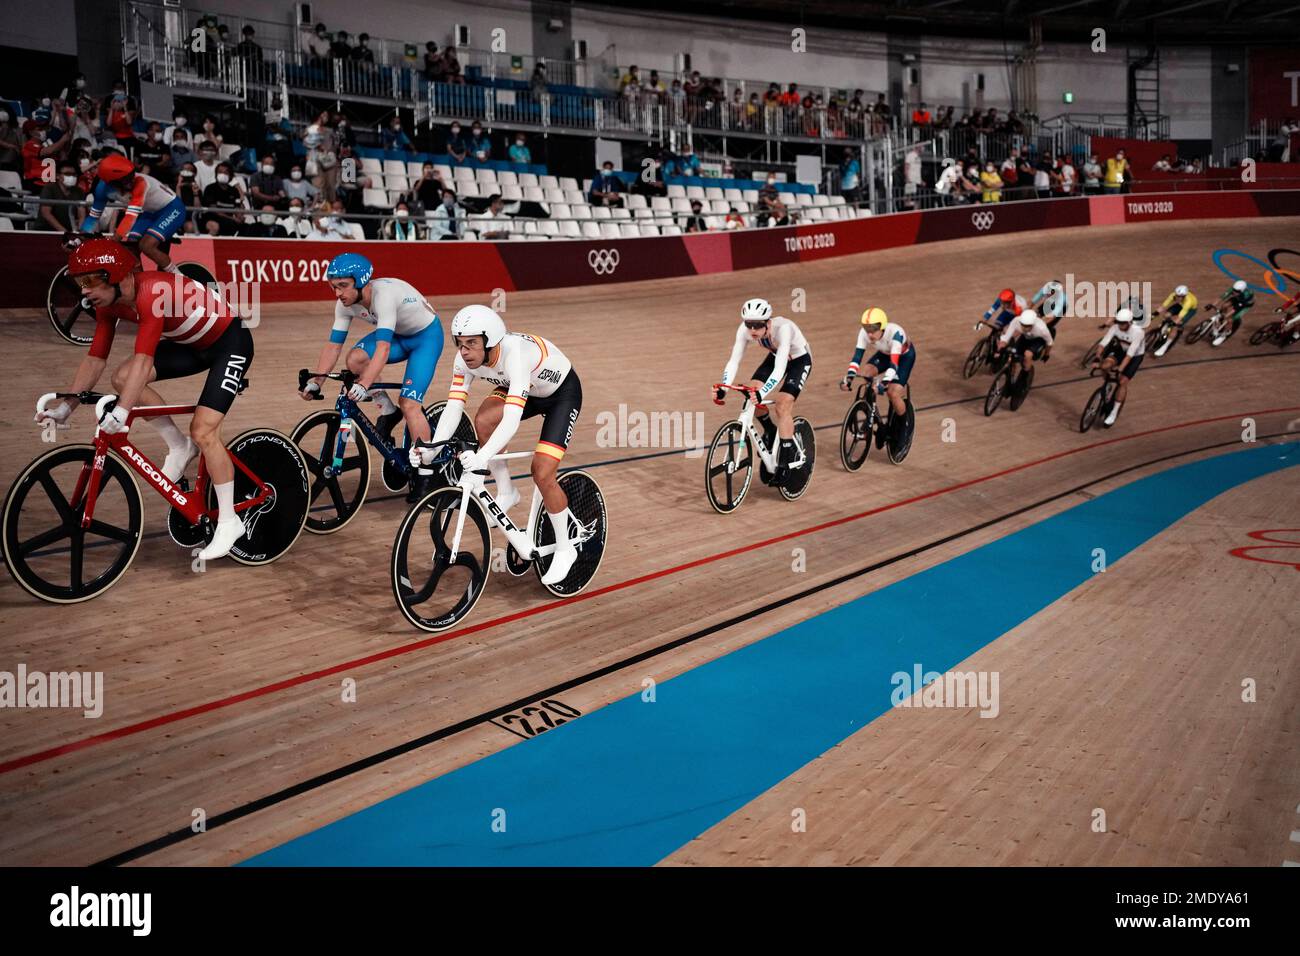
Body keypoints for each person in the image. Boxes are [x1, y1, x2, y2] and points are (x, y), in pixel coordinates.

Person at [38, 238, 253, 559]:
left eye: (90, 280)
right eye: (78, 282)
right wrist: (65, 407)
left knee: (204, 431)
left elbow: (144, 358)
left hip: (229, 343)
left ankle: (229, 521)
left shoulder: (152, 292)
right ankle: (179, 447)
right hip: (191, 345)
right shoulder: (107, 304)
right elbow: (96, 358)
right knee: (122, 378)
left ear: (116, 275)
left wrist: (123, 410)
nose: (83, 290)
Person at [417, 305, 584, 585]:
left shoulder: (515, 355)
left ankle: (566, 547)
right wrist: (431, 448)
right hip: (524, 387)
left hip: (560, 394)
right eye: (460, 343)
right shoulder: (462, 361)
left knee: (542, 472)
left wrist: (482, 457)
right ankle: (507, 491)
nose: (464, 351)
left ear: (490, 341)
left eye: (471, 343)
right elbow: (453, 408)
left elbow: (511, 420)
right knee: (483, 420)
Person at [301, 254, 445, 503]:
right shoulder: (345, 304)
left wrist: (363, 384)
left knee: (410, 404)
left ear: (361, 281)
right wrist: (318, 380)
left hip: (425, 338)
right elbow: (334, 346)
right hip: (400, 334)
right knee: (355, 360)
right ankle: (387, 411)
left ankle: (427, 475)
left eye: (343, 286)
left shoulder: (384, 297)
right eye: (333, 287)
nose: (337, 293)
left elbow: (383, 350)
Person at [716, 298, 813, 485]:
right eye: (749, 325)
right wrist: (724, 388)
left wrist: (763, 393)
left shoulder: (784, 329)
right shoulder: (744, 331)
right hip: (776, 356)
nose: (752, 330)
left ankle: (785, 462)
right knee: (751, 391)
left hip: (799, 361)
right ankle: (770, 430)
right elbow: (734, 361)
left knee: (782, 404)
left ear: (768, 323)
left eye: (757, 325)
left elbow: (779, 370)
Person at [82, 152, 186, 272]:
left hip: (172, 208)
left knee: (146, 246)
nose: (132, 180)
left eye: (132, 175)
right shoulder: (101, 189)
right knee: (131, 246)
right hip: (150, 212)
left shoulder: (140, 183)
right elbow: (93, 218)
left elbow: (130, 218)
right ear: (111, 182)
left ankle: (180, 279)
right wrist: (82, 236)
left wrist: (114, 240)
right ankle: (139, 281)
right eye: (126, 179)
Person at [840, 308, 914, 442]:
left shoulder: (895, 334)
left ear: (883, 326)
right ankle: (870, 415)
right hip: (885, 354)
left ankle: (904, 427)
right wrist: (849, 377)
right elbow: (857, 357)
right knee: (866, 373)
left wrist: (884, 384)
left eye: (873, 329)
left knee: (893, 393)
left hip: (902, 358)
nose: (870, 334)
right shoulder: (864, 334)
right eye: (867, 328)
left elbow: (893, 366)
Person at [1091, 308, 1144, 426]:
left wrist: (1120, 369)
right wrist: (1097, 357)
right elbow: (1103, 343)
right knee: (1105, 365)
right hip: (1120, 350)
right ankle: (1108, 383)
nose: (1120, 325)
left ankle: (1113, 413)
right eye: (1118, 322)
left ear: (1130, 322)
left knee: (1123, 381)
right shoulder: (1115, 327)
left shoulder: (1138, 332)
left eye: (1123, 323)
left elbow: (1130, 355)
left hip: (1134, 356)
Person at [992, 308, 1053, 383]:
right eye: (1023, 325)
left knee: (1028, 354)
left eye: (1027, 326)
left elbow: (1050, 342)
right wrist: (998, 351)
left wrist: (1046, 354)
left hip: (1038, 340)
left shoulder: (1042, 329)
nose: (1024, 328)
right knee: (1012, 356)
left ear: (1033, 324)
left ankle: (1025, 374)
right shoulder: (1016, 321)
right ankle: (1011, 378)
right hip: (1025, 337)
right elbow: (1006, 337)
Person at [37, 160, 86, 232]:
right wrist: (64, 231)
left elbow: (82, 214)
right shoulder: (49, 188)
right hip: (46, 230)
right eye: (67, 174)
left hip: (70, 231)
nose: (71, 177)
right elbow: (46, 213)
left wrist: (79, 231)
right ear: (58, 176)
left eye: (74, 174)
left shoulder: (79, 191)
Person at [1150, 284, 1199, 352]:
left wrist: (1174, 323)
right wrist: (1154, 314)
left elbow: (1181, 315)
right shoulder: (1173, 295)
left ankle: (1166, 345)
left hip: (1190, 310)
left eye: (1179, 297)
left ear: (1184, 296)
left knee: (1175, 326)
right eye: (1177, 295)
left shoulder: (1189, 301)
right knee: (1166, 315)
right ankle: (1164, 329)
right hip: (1180, 305)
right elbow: (1164, 305)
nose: (1177, 297)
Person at [1207, 279, 1255, 346]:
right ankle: (1222, 318)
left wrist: (1226, 316)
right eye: (1234, 290)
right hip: (1237, 299)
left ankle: (1226, 333)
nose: (1234, 292)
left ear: (1242, 291)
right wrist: (1212, 305)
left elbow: (1235, 309)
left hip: (1245, 305)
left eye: (1236, 291)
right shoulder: (1233, 290)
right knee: (1224, 305)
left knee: (1230, 319)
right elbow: (1221, 298)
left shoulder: (1245, 296)